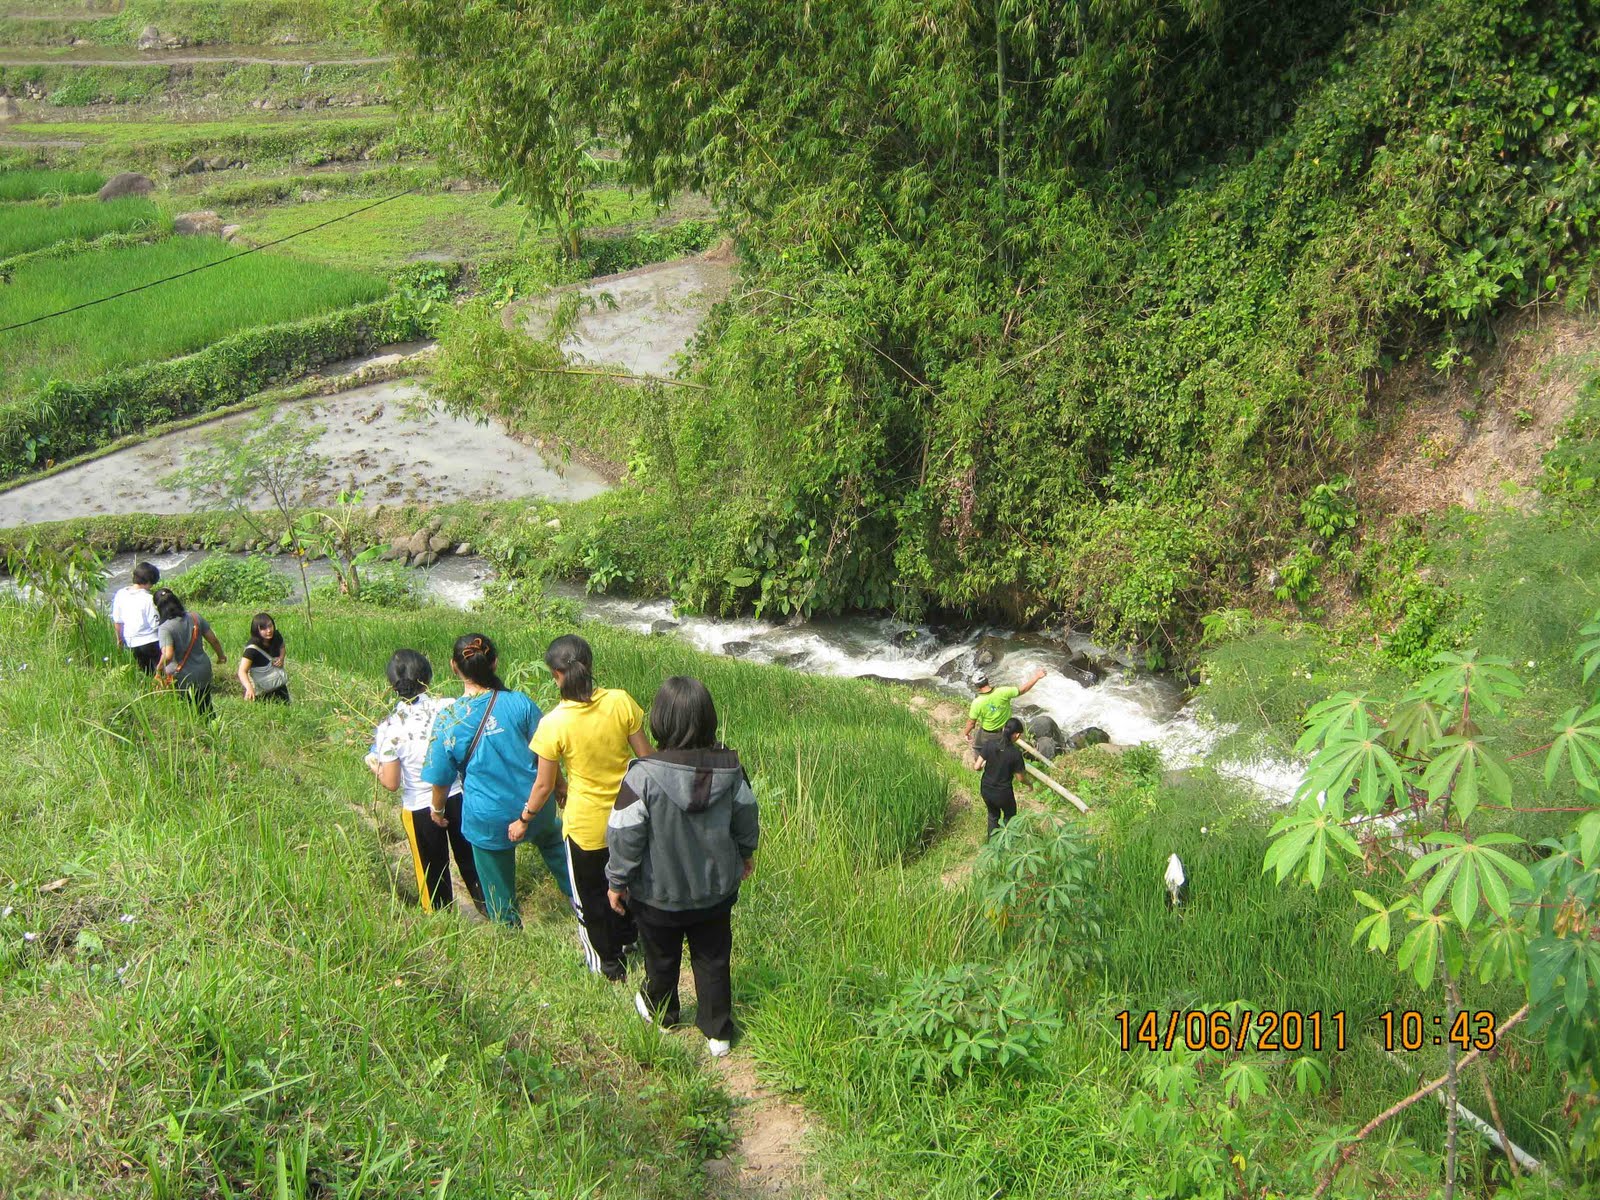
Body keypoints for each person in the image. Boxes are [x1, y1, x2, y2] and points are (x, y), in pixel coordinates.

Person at [606, 676, 759, 1058]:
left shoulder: (642, 774)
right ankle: (718, 1032)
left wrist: (617, 879)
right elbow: (746, 816)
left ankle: (663, 1013)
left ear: (659, 721)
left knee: (661, 956)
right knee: (712, 958)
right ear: (709, 720)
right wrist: (745, 853)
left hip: (658, 893)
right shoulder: (731, 769)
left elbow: (625, 833)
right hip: (715, 891)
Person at [515, 634, 652, 981]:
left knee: (590, 897)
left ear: (555, 675)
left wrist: (524, 818)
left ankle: (607, 963)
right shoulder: (620, 702)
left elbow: (545, 784)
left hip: (586, 826)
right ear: (589, 665)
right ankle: (629, 940)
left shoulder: (554, 723)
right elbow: (647, 759)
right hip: (630, 817)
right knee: (628, 882)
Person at [421, 633, 571, 927]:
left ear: (454, 667)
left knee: (496, 884)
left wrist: (437, 811)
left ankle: (509, 931)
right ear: (495, 662)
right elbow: (547, 753)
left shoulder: (449, 718)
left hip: (488, 817)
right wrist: (560, 785)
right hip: (534, 805)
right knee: (555, 844)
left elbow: (440, 779)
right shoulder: (519, 703)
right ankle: (582, 899)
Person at [366, 649, 484, 915]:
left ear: (391, 685)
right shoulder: (448, 707)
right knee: (471, 860)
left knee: (433, 871)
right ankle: (490, 910)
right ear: (428, 679)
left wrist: (375, 766)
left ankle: (442, 920)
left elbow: (392, 782)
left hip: (419, 807)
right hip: (458, 795)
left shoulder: (389, 728)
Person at [153, 588, 226, 716]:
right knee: (206, 705)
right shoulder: (195, 617)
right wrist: (221, 656)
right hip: (203, 670)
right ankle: (213, 729)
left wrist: (158, 670)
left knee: (187, 711)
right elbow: (213, 640)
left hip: (182, 676)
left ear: (158, 608)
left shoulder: (165, 628)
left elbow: (168, 655)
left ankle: (197, 733)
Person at [962, 665, 1046, 763]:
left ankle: (981, 764)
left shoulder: (977, 702)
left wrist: (966, 733)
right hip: (1006, 730)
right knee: (1005, 748)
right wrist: (1037, 677)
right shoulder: (1003, 691)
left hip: (989, 733)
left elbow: (971, 723)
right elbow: (1023, 690)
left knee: (978, 747)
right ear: (987, 680)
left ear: (976, 686)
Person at [976, 717, 1029, 840]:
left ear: (1004, 729)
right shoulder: (1015, 754)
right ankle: (1006, 842)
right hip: (1003, 793)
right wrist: (1030, 784)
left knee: (993, 816)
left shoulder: (989, 744)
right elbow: (1020, 778)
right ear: (1016, 735)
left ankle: (992, 843)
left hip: (986, 789)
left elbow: (976, 766)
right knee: (1009, 817)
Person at [111, 561, 162, 675]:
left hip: (131, 641)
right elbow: (155, 624)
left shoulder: (120, 594)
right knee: (160, 672)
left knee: (147, 673)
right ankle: (165, 691)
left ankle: (151, 690)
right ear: (149, 581)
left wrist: (119, 640)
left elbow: (118, 621)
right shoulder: (148, 599)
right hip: (151, 641)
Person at [238, 612, 290, 703]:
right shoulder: (252, 648)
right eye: (263, 628)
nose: (269, 630)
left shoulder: (276, 636)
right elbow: (242, 671)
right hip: (262, 690)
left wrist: (281, 658)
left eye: (270, 626)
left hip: (278, 683)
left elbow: (282, 647)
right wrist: (249, 688)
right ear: (256, 630)